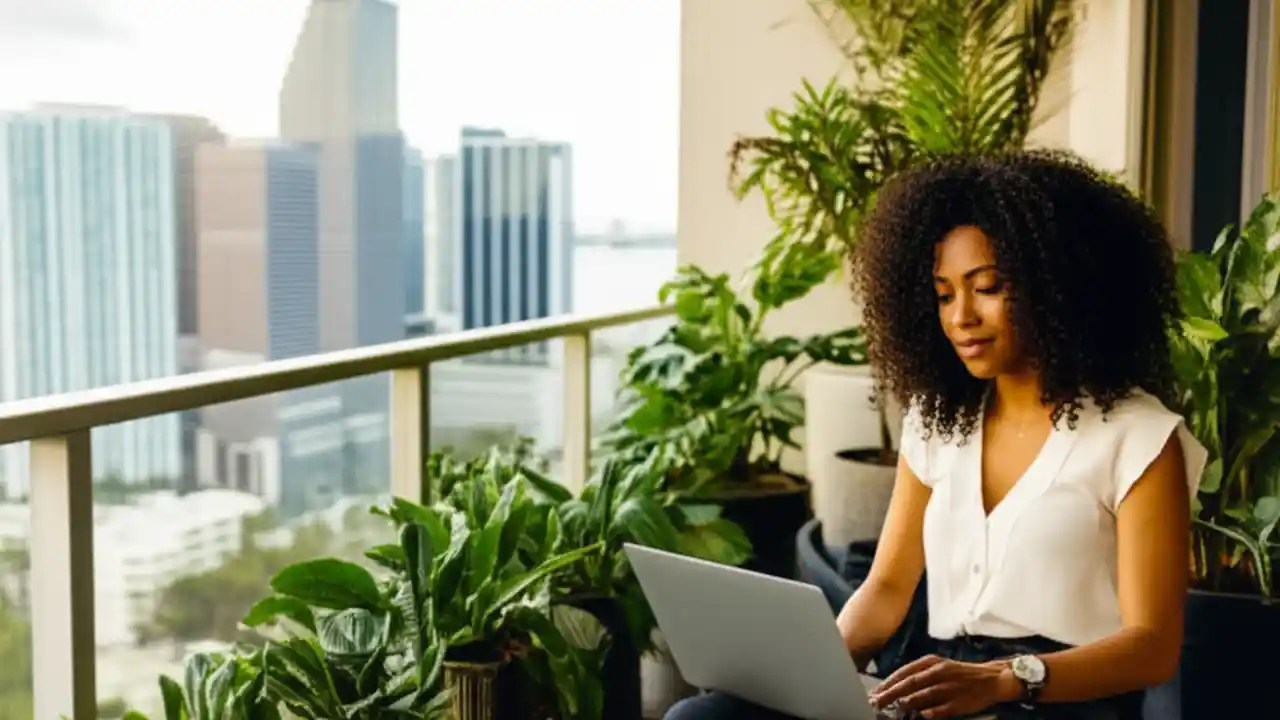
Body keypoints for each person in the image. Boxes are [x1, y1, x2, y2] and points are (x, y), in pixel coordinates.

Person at [665, 150, 1207, 720]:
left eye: (988, 287)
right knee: (705, 716)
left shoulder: (1139, 437)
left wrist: (1001, 680)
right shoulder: (938, 420)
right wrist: (809, 678)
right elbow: (886, 589)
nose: (960, 317)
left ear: (1057, 287)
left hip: (1058, 699)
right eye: (945, 294)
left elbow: (1152, 646)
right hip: (936, 690)